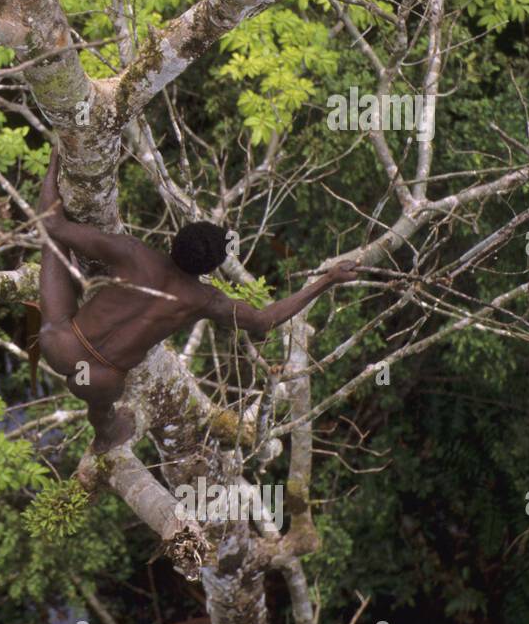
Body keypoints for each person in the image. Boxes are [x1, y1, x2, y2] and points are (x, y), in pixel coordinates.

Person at [36, 151, 359, 450]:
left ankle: (76, 277)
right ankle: (105, 432)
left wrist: (56, 161)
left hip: (60, 342)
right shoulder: (202, 299)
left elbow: (53, 221)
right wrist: (327, 279)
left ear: (176, 240)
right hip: (99, 381)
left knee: (54, 237)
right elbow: (264, 321)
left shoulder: (134, 253)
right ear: (212, 268)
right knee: (104, 413)